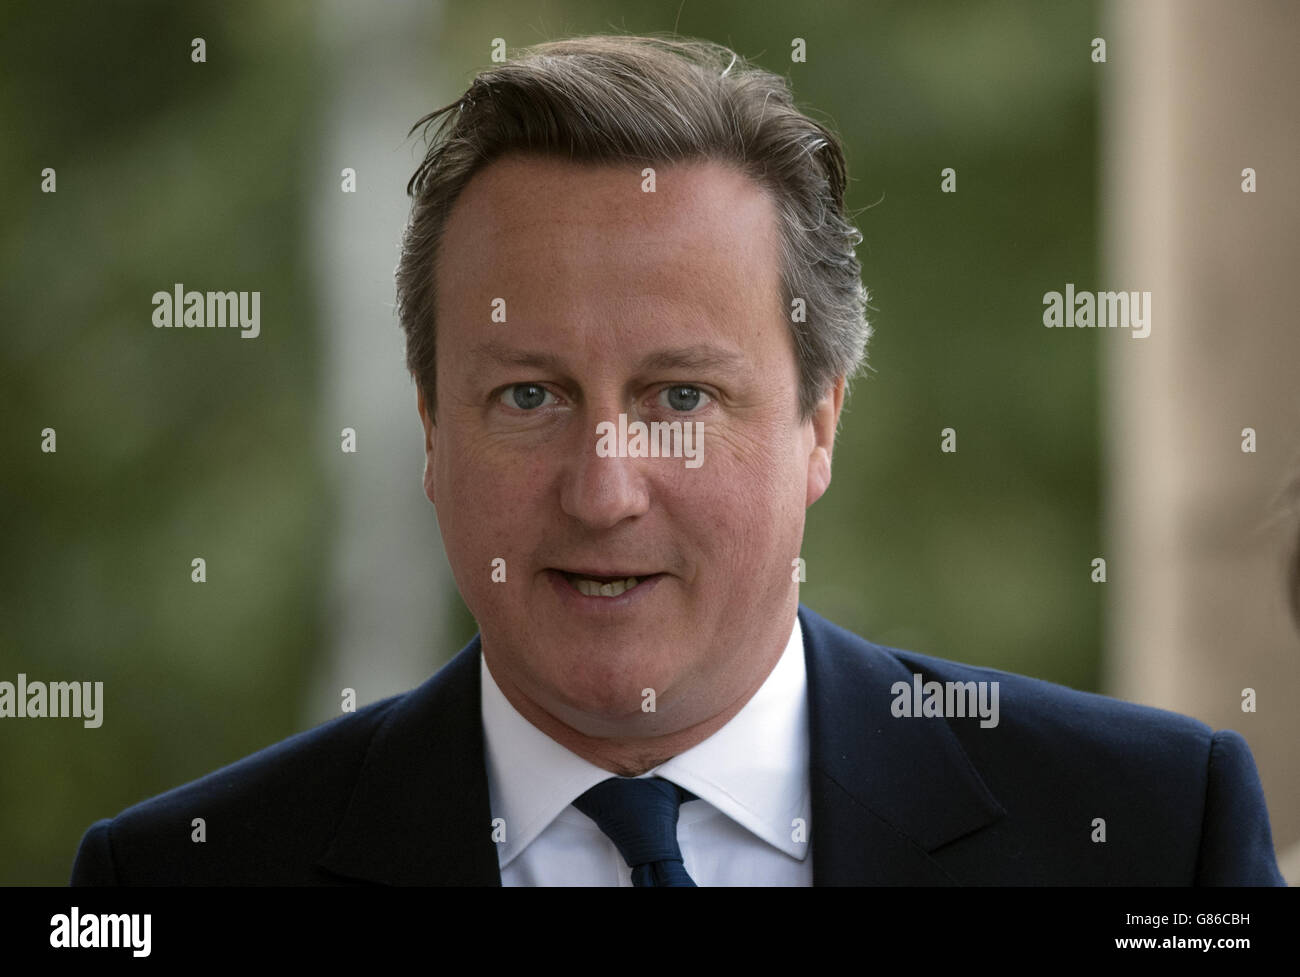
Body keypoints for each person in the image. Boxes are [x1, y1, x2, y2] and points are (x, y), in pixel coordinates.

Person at [70, 34, 1284, 886]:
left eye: (681, 395)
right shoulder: (180, 877)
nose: (604, 488)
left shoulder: (1145, 833)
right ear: (433, 433)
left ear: (819, 422)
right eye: (529, 394)